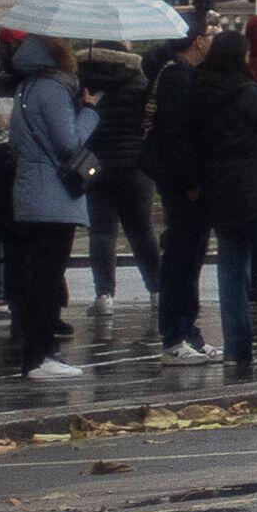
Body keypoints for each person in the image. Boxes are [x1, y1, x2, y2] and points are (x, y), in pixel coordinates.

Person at [174, 18, 257, 374]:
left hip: (220, 193)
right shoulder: (247, 93)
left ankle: (237, 348)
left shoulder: (199, 93)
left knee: (232, 274)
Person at [1, 34, 98, 382]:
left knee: (37, 276)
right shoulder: (53, 89)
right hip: (53, 197)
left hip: (30, 193)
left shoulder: (26, 88)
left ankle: (37, 352)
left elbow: (17, 143)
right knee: (47, 277)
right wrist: (90, 113)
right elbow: (68, 142)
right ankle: (39, 355)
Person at [143, 18, 219, 360]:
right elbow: (177, 135)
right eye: (209, 34)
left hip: (185, 180)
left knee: (191, 257)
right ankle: (176, 335)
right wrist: (190, 182)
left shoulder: (182, 74)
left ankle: (188, 330)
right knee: (181, 258)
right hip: (181, 183)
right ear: (198, 41)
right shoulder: (176, 76)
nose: (212, 40)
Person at [79, 42, 157, 315]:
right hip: (135, 166)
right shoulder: (138, 80)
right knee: (142, 231)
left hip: (96, 166)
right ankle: (156, 289)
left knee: (101, 231)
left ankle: (104, 295)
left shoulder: (86, 81)